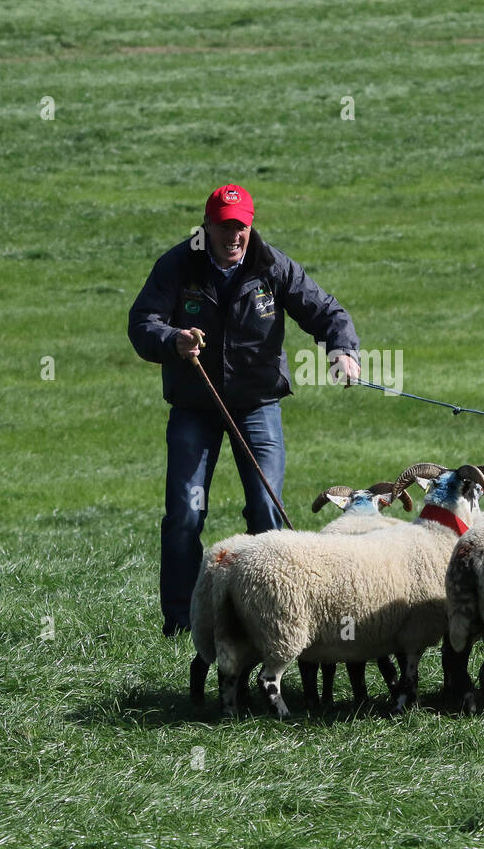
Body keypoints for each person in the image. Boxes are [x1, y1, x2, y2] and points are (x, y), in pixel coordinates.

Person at [128, 184, 362, 636]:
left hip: (257, 405)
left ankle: (265, 618)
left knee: (265, 510)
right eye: (224, 226)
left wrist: (342, 350)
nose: (232, 235)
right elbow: (142, 323)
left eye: (240, 226)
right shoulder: (178, 265)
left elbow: (325, 310)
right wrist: (173, 340)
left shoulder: (272, 265)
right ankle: (181, 624)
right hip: (195, 406)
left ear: (250, 226)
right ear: (207, 226)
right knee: (184, 515)